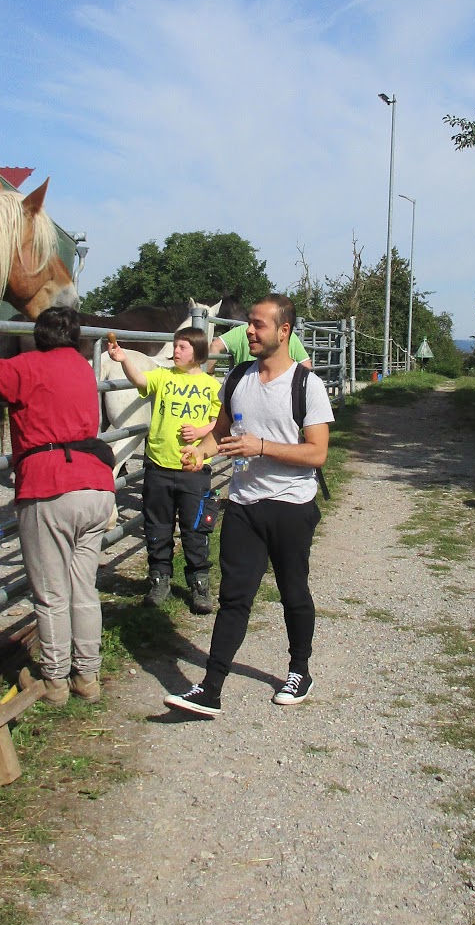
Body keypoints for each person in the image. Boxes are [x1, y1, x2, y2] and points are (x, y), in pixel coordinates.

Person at [165, 295, 333, 717]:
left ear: (284, 332)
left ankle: (300, 670)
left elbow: (317, 454)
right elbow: (220, 432)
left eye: (258, 325)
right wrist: (201, 453)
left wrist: (261, 446)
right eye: (249, 325)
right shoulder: (238, 377)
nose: (249, 332)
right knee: (235, 598)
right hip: (242, 503)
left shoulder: (306, 385)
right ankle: (211, 688)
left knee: (293, 590)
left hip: (292, 505)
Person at [0, 307, 116, 704]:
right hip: (96, 486)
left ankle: (55, 681)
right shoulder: (83, 367)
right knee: (83, 589)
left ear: (37, 336)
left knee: (51, 593)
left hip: (48, 484)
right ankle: (88, 676)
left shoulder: (27, 365)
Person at [106, 326, 220, 614]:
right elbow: (140, 379)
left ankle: (199, 582)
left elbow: (221, 422)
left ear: (198, 352)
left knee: (195, 527)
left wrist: (200, 430)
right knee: (158, 526)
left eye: (182, 347)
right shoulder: (164, 377)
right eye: (175, 346)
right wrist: (123, 359)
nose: (175, 351)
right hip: (158, 465)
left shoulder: (212, 385)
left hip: (194, 468)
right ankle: (159, 579)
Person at [210, 317, 312, 370]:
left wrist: (209, 374)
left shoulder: (241, 330)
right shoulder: (287, 334)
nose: (249, 330)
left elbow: (215, 345)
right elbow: (306, 364)